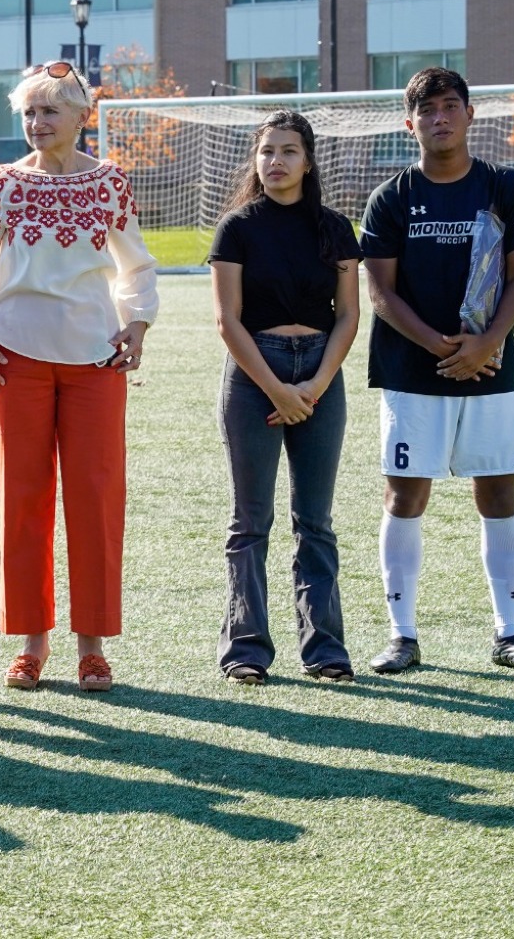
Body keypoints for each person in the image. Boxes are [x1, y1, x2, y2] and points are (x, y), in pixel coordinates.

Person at [0, 61, 156, 691]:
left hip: (95, 361)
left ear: (81, 117)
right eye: (29, 112)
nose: (36, 123)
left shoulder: (111, 183)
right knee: (23, 503)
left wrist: (137, 325)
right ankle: (31, 645)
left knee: (95, 501)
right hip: (14, 362)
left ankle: (92, 646)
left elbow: (137, 267)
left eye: (49, 111)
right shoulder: (2, 186)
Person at [360, 66, 514, 675]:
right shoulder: (390, 197)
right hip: (413, 371)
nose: (439, 118)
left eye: (450, 106)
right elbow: (380, 294)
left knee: (498, 490)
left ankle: (510, 634)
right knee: (406, 494)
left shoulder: (506, 187)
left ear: (470, 114)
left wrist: (487, 342)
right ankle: (402, 636)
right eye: (427, 110)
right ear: (409, 122)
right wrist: (446, 348)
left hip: (492, 365)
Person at [208, 110, 362, 685]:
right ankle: (245, 649)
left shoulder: (335, 229)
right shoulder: (237, 228)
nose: (276, 161)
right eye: (267, 150)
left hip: (319, 371)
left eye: (289, 151)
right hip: (255, 376)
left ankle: (325, 650)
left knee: (315, 521)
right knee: (250, 521)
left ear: (309, 160)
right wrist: (277, 389)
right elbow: (227, 321)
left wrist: (315, 387)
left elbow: (348, 316)